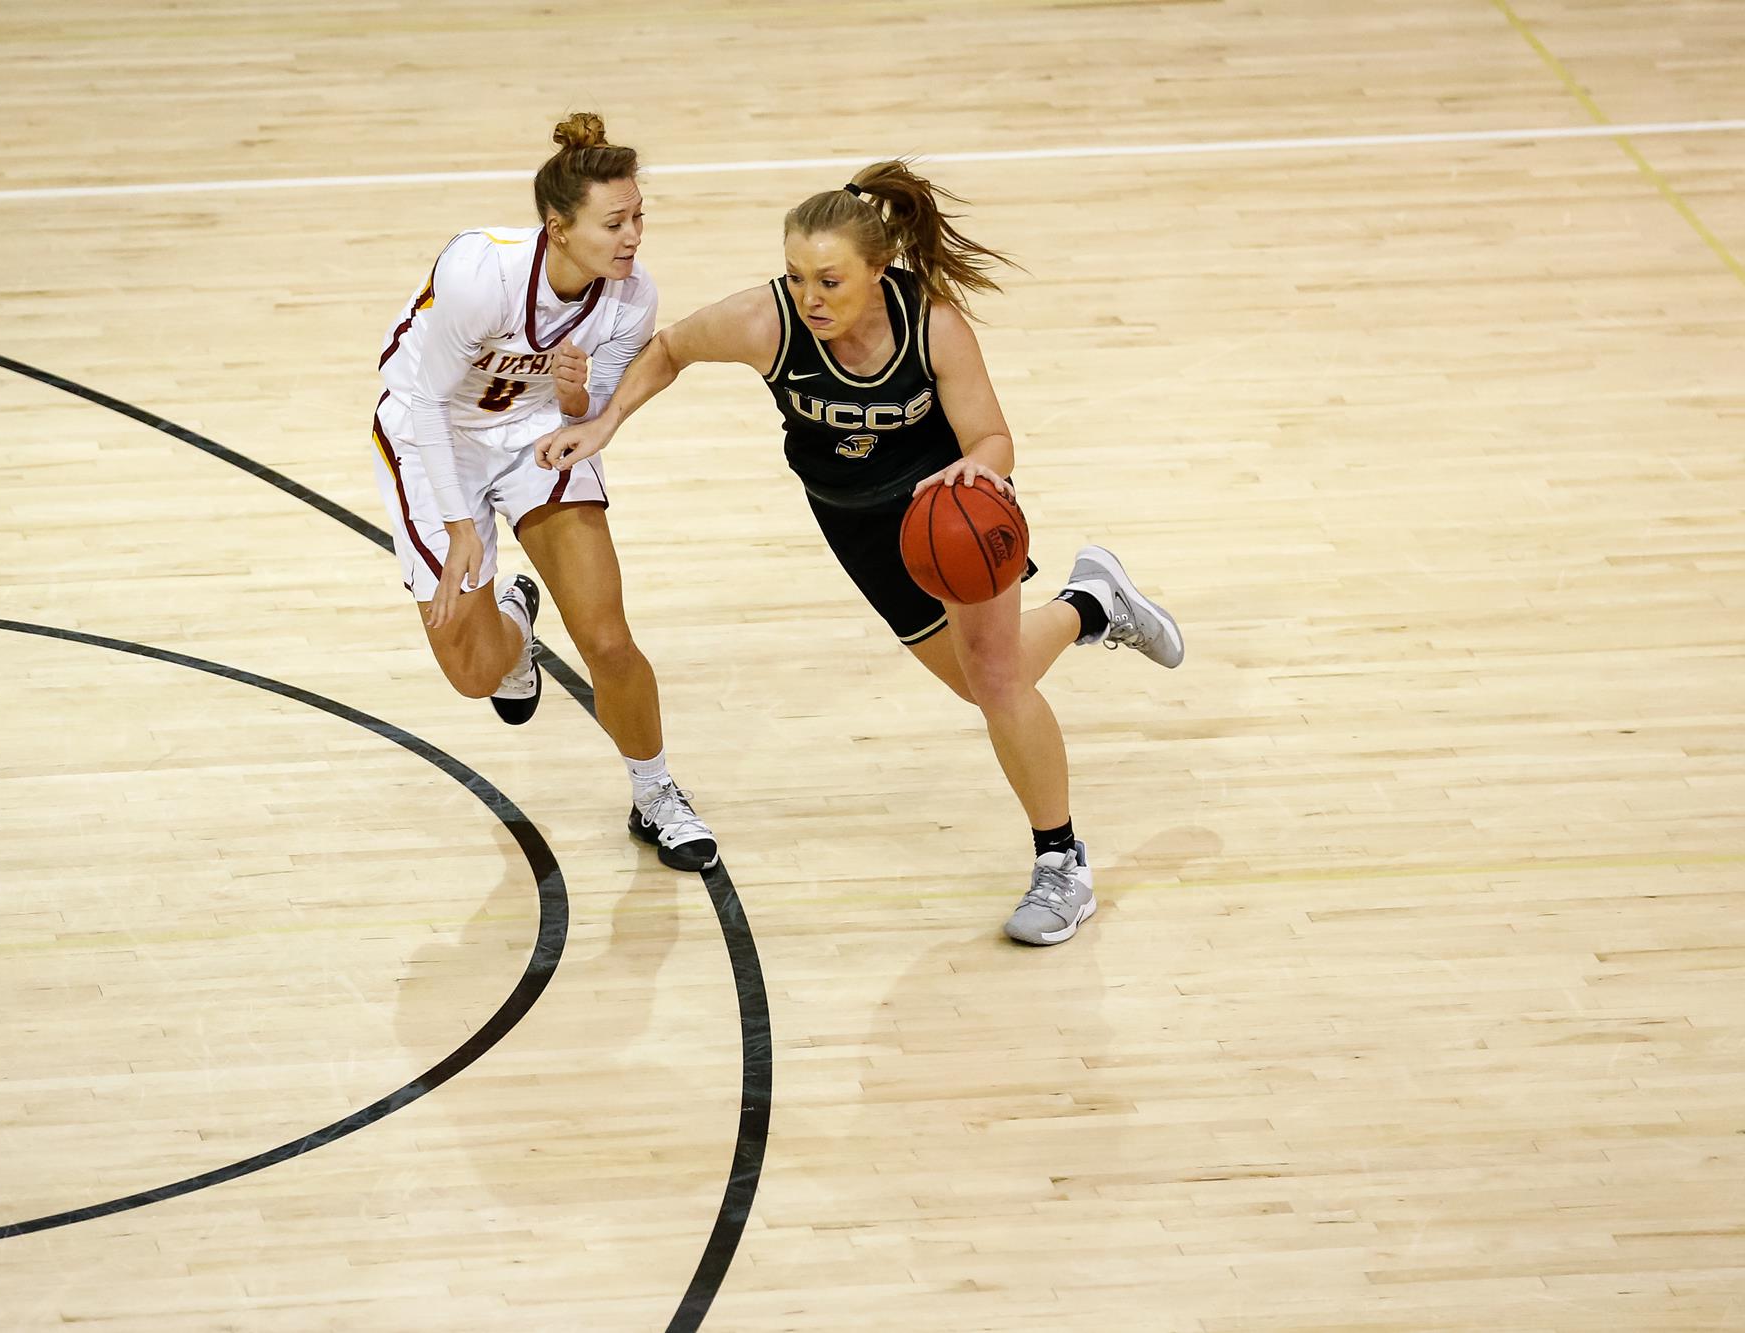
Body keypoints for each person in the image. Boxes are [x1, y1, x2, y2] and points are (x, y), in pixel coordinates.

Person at [535, 160, 1183, 942]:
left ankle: (1062, 864)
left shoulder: (932, 324)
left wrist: (981, 467)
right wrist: (605, 423)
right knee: (978, 681)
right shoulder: (767, 323)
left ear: (878, 271)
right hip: (859, 529)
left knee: (1000, 682)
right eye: (798, 276)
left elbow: (993, 435)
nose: (811, 297)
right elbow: (670, 348)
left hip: (952, 520)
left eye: (831, 281)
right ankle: (1092, 604)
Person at [370, 112, 717, 872]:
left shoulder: (630, 300)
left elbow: (588, 425)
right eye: (614, 222)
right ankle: (512, 627)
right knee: (473, 675)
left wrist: (575, 400)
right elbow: (426, 401)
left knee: (606, 635)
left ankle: (655, 793)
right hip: (436, 434)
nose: (632, 238)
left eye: (637, 218)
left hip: (531, 433)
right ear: (558, 228)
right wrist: (461, 525)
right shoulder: (480, 272)